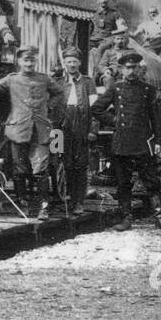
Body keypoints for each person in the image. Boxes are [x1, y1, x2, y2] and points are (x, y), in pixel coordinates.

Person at [0, 45, 64, 220]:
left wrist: (48, 106)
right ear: (19, 61)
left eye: (32, 60)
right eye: (26, 60)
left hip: (40, 130)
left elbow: (59, 92)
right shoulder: (11, 79)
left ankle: (43, 207)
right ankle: (23, 204)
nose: (29, 63)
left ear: (36, 61)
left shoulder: (44, 79)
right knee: (19, 169)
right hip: (18, 129)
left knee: (41, 168)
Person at [90, 49, 161, 231]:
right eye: (127, 68)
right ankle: (126, 219)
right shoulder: (116, 88)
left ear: (139, 69)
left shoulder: (148, 90)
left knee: (152, 181)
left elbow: (157, 119)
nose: (131, 71)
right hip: (122, 143)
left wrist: (160, 143)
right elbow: (97, 109)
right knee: (123, 182)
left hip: (144, 143)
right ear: (121, 69)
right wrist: (115, 121)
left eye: (134, 67)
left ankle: (160, 217)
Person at [52, 44, 93, 214]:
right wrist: (53, 131)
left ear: (80, 63)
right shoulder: (58, 83)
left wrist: (93, 131)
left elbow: (95, 109)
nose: (72, 65)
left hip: (81, 124)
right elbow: (52, 107)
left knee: (80, 164)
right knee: (58, 161)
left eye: (75, 62)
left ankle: (78, 202)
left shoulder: (88, 83)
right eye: (69, 62)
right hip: (60, 127)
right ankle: (61, 197)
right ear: (65, 64)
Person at [87, 0, 124, 78]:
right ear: (97, 0)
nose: (103, 0)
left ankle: (97, 73)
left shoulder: (115, 13)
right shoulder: (93, 13)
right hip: (94, 39)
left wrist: (112, 33)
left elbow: (122, 28)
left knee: (101, 48)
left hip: (108, 38)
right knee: (83, 46)